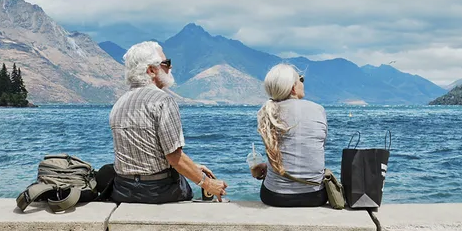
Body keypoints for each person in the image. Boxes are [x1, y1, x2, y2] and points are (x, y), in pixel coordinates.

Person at [108, 41, 227, 203]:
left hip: (123, 189)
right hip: (156, 191)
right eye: (166, 63)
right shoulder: (163, 101)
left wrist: (192, 167)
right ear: (151, 70)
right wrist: (208, 184)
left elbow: (145, 154)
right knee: (193, 188)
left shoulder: (120, 102)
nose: (170, 68)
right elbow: (174, 158)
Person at [250, 63, 328, 207]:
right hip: (316, 196)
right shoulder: (318, 109)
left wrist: (266, 168)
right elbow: (311, 151)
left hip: (275, 197)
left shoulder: (268, 112)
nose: (303, 84)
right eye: (301, 80)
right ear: (293, 87)